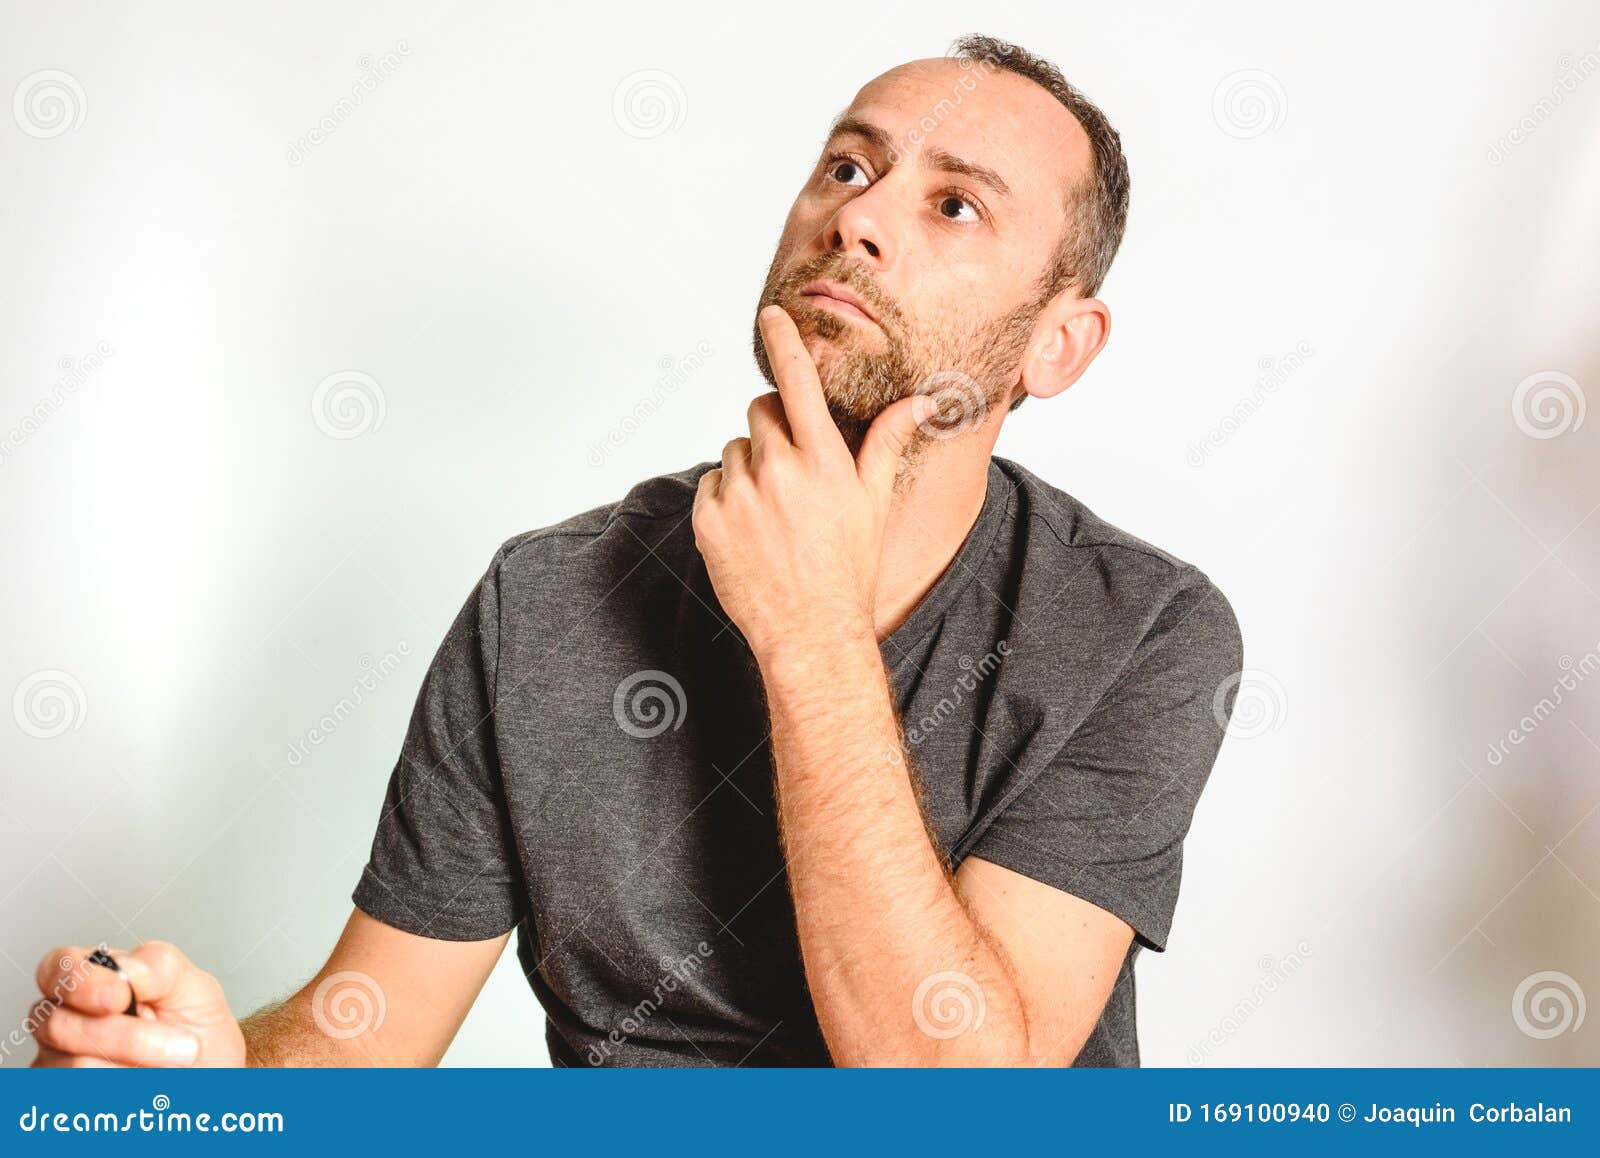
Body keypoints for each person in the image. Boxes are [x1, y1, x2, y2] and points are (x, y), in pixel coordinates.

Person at [29, 34, 1242, 1069]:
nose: (858, 215)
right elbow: (366, 1035)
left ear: (1058, 348)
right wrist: (215, 1073)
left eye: (952, 203)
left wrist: (809, 633)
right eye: (847, 165)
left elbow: (964, 1097)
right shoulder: (545, 602)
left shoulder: (1140, 628)